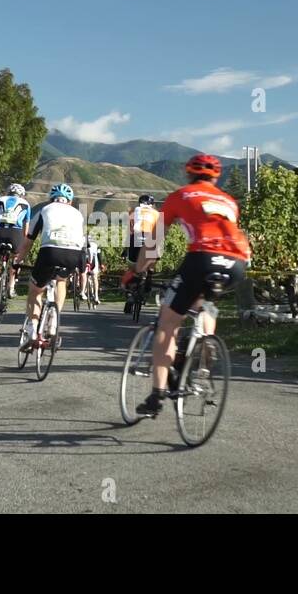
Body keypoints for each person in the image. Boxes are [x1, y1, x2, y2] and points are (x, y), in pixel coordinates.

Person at [122, 155, 251, 416]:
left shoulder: (180, 196)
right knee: (204, 303)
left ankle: (156, 396)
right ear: (216, 177)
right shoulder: (229, 201)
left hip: (202, 258)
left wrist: (136, 271)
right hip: (237, 262)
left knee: (168, 321)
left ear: (188, 174)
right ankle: (203, 356)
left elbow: (154, 247)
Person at [15, 183, 86, 348]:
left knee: (35, 290)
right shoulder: (78, 214)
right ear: (69, 201)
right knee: (61, 281)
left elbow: (28, 242)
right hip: (73, 253)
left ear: (51, 199)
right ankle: (53, 322)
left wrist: (17, 261)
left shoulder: (44, 210)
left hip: (50, 251)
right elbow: (82, 240)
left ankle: (32, 330)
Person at [0, 183, 31, 323]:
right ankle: (11, 285)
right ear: (21, 195)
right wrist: (23, 246)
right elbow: (26, 231)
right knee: (17, 258)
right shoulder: (26, 204)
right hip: (15, 235)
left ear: (8, 192)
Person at [122, 194, 159, 313]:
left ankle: (130, 295)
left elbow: (130, 232)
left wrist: (125, 249)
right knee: (151, 262)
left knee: (132, 269)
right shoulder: (157, 214)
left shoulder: (133, 212)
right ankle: (149, 276)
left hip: (135, 239)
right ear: (152, 205)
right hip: (150, 239)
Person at [79, 234, 103, 305]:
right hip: (93, 260)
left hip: (85, 258)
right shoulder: (97, 242)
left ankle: (82, 291)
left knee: (84, 274)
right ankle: (96, 296)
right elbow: (99, 254)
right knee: (94, 277)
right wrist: (101, 264)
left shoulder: (82, 238)